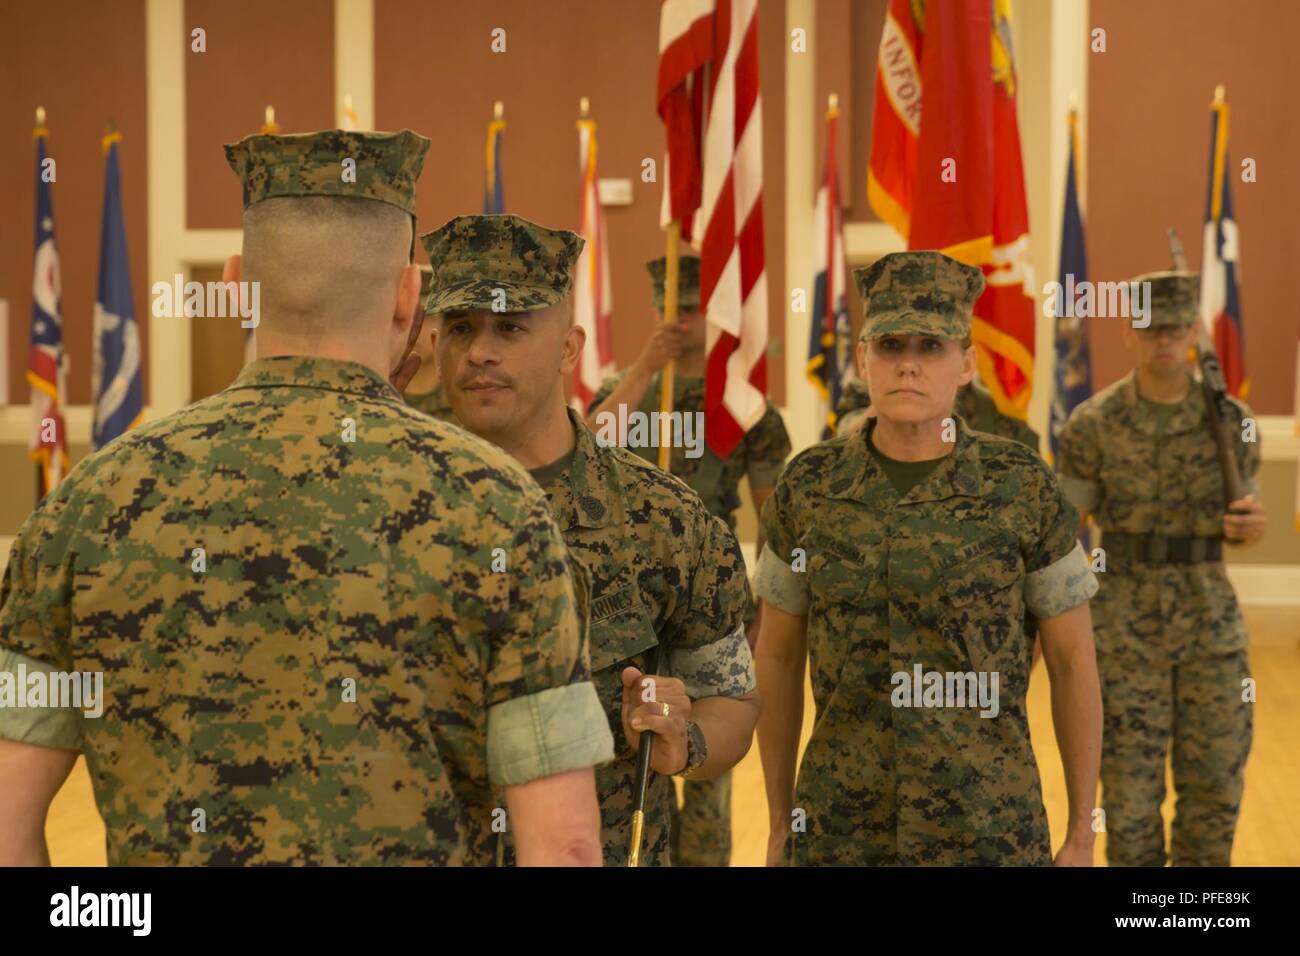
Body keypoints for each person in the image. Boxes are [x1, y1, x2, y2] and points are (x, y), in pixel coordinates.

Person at [0, 129, 612, 867]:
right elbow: (567, 846)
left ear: (235, 284)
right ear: (410, 294)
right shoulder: (498, 509)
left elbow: (7, 822)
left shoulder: (83, 505)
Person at [424, 214, 760, 866]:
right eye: (460, 328)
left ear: (570, 348)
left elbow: (734, 700)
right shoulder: (394, 503)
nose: (480, 351)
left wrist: (683, 739)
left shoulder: (661, 519)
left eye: (511, 327)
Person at [754, 250, 1102, 866]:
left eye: (932, 346)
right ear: (862, 358)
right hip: (841, 831)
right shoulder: (808, 487)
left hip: (988, 827)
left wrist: (1080, 835)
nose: (909, 364)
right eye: (890, 345)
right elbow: (777, 657)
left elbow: (1074, 662)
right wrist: (781, 823)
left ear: (965, 364)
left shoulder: (1021, 485)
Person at [585, 252, 790, 866]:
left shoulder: (744, 407)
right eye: (669, 305)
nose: (679, 319)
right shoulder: (624, 390)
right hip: (620, 606)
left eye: (691, 307)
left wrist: (761, 612)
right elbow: (587, 453)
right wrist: (646, 367)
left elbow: (776, 521)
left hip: (708, 598)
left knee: (703, 776)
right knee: (627, 762)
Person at [1056, 270, 1265, 867]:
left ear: (1195, 330)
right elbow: (1065, 532)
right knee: (1128, 798)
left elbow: (1244, 512)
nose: (1164, 341)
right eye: (1151, 329)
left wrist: (1251, 527)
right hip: (1123, 630)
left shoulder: (1232, 419)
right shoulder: (1092, 424)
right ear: (1131, 333)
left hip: (1211, 631)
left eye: (1176, 327)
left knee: (1215, 789)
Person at [836, 376, 1040, 451]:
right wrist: (887, 402)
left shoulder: (998, 408)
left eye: (932, 347)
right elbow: (842, 443)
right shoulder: (865, 392)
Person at [401, 265, 456, 423]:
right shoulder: (381, 396)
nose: (413, 325)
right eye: (406, 313)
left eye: (424, 316)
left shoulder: (463, 399)